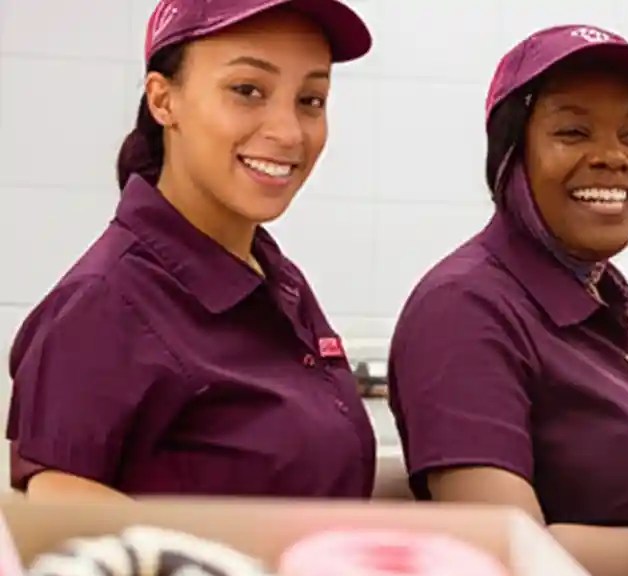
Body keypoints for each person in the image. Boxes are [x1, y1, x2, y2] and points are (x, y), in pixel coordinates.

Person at [388, 25, 628, 576]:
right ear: (511, 156)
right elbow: (513, 562)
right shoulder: (466, 305)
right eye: (573, 132)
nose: (614, 156)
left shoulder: (606, 294)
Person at [7, 0, 376, 501]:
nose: (289, 132)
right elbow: (63, 529)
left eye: (310, 99)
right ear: (163, 100)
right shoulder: (104, 305)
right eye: (247, 90)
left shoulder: (273, 277)